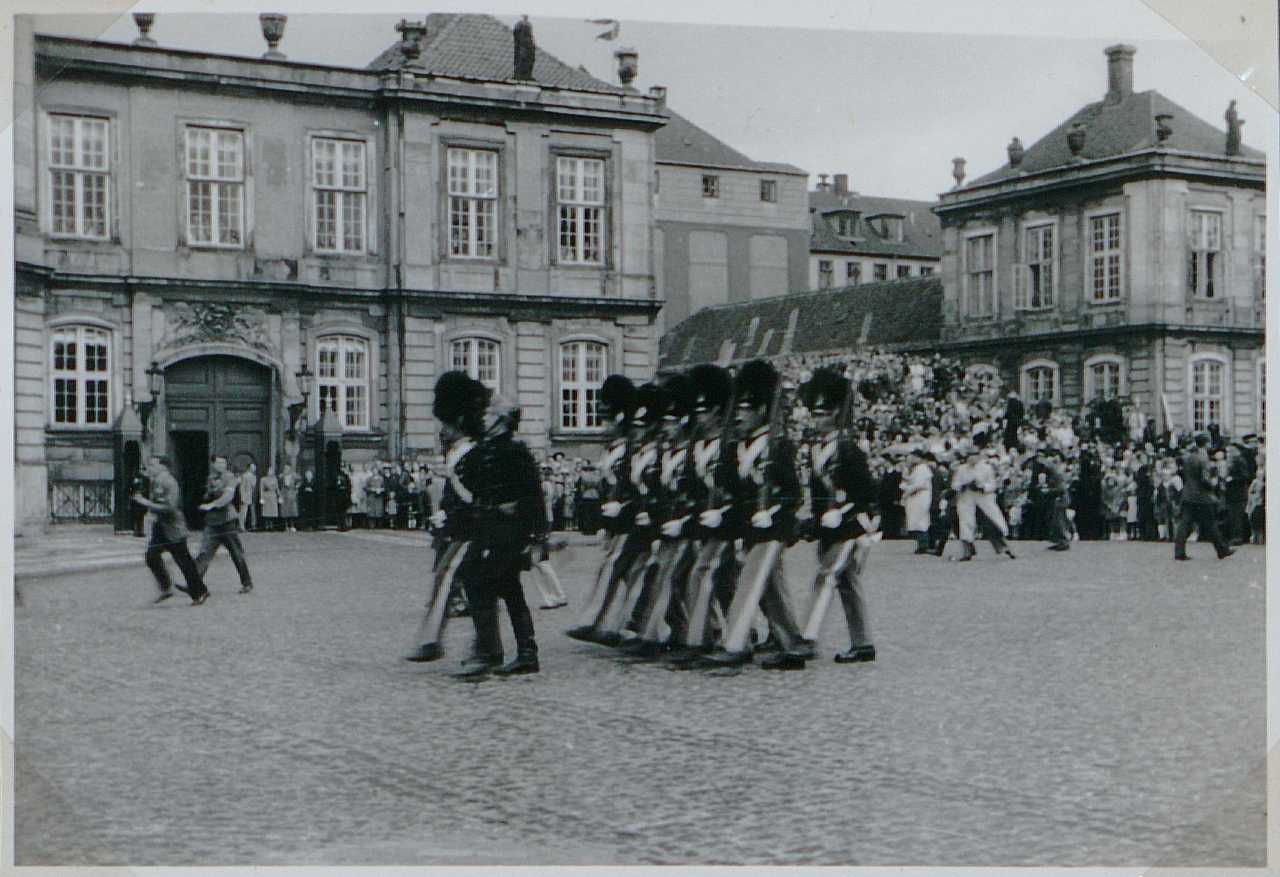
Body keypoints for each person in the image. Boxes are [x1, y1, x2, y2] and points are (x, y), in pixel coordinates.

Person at [701, 359, 811, 670]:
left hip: (773, 527)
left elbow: (793, 493)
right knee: (769, 589)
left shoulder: (778, 447)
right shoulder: (739, 447)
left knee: (752, 582)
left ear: (762, 410)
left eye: (746, 408)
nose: (738, 414)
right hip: (750, 528)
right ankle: (792, 644)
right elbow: (737, 491)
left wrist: (772, 511)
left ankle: (735, 644)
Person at [456, 394, 547, 678]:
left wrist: (537, 536)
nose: (484, 417)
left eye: (490, 413)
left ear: (502, 420)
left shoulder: (516, 451)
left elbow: (533, 494)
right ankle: (521, 653)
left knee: (483, 583)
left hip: (510, 531)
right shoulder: (483, 449)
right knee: (506, 588)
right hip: (489, 528)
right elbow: (466, 477)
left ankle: (493, 652)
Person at [797, 367, 879, 665]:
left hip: (847, 528)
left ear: (835, 414)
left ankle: (805, 639)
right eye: (814, 412)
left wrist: (841, 513)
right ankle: (863, 642)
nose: (816, 418)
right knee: (847, 583)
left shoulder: (850, 450)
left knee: (826, 577)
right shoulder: (817, 449)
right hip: (828, 527)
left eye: (822, 412)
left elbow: (867, 494)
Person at [406, 371, 489, 664]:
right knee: (451, 580)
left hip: (474, 530)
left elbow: (475, 494)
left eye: (447, 424)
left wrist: (451, 514)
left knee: (471, 587)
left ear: (460, 422)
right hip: (460, 528)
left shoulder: (473, 453)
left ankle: (470, 645)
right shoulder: (458, 452)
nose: (443, 430)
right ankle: (434, 639)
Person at [132, 454, 209, 605]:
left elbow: (170, 507)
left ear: (163, 466)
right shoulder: (156, 481)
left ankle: (200, 592)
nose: (150, 468)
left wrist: (145, 503)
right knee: (151, 556)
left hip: (174, 528)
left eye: (153, 465)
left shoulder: (170, 482)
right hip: (161, 527)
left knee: (184, 562)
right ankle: (166, 587)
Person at [194, 453, 255, 594]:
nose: (221, 465)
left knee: (236, 553)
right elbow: (207, 495)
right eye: (218, 463)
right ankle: (195, 583)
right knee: (204, 553)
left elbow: (228, 497)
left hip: (227, 521)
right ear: (213, 464)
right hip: (212, 522)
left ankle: (247, 582)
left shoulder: (230, 477)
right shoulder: (211, 478)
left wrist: (212, 505)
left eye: (223, 463)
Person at [1173, 433, 1234, 561]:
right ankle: (1222, 550)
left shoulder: (1189, 457)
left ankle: (1179, 551)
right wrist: (1213, 483)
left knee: (1185, 524)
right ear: (1206, 443)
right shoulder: (1203, 458)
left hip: (1188, 494)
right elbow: (1205, 479)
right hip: (1202, 496)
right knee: (1211, 524)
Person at [900, 447, 933, 554]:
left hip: (920, 497)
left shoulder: (923, 468)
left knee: (921, 520)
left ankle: (924, 545)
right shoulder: (916, 469)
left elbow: (918, 485)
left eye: (914, 457)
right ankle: (921, 544)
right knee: (916, 520)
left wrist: (907, 490)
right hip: (915, 497)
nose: (912, 458)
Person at [259, 464, 280, 532]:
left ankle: (272, 526)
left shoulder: (275, 479)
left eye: (272, 471)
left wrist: (279, 496)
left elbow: (277, 488)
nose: (270, 472)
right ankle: (266, 526)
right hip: (266, 496)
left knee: (272, 512)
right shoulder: (263, 479)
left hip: (273, 496)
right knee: (266, 512)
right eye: (269, 470)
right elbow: (261, 489)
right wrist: (261, 498)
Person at [238, 462, 258, 532]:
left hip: (252, 496)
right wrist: (243, 496)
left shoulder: (254, 476)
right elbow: (242, 487)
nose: (254, 469)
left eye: (254, 467)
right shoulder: (244, 476)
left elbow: (254, 486)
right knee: (243, 512)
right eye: (253, 467)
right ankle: (241, 526)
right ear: (249, 468)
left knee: (252, 511)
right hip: (246, 496)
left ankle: (253, 526)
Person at [279, 463, 299, 532]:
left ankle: (292, 525)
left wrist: (296, 488)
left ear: (290, 469)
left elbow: (300, 481)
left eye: (287, 468)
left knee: (292, 511)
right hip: (284, 494)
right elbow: (279, 486)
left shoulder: (294, 475)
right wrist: (280, 495)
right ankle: (286, 526)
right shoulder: (281, 476)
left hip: (291, 494)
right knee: (285, 511)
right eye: (285, 468)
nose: (286, 470)